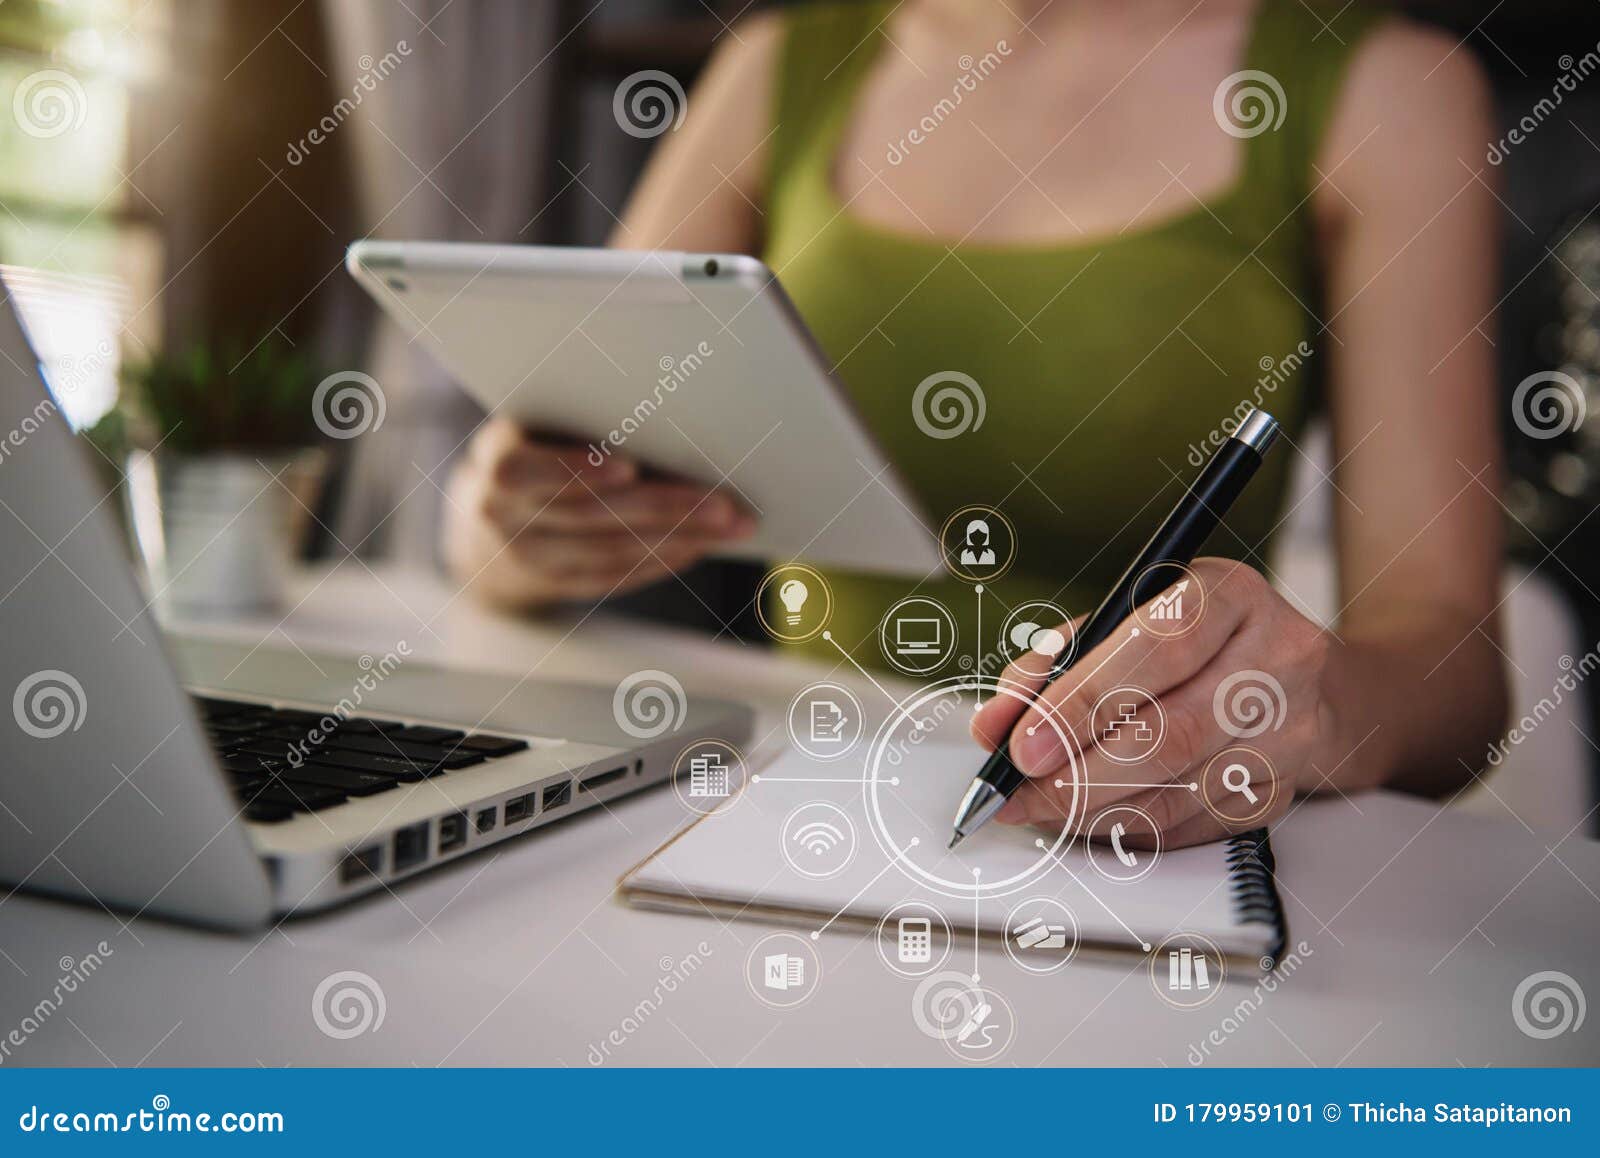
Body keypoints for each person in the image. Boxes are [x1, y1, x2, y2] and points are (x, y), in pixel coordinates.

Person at [443, 0, 1508, 847]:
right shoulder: (776, 66)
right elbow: (543, 472)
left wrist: (1319, 706)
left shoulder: (1384, 92)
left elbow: (1454, 675)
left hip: (1141, 854)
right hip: (787, 799)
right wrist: (507, 529)